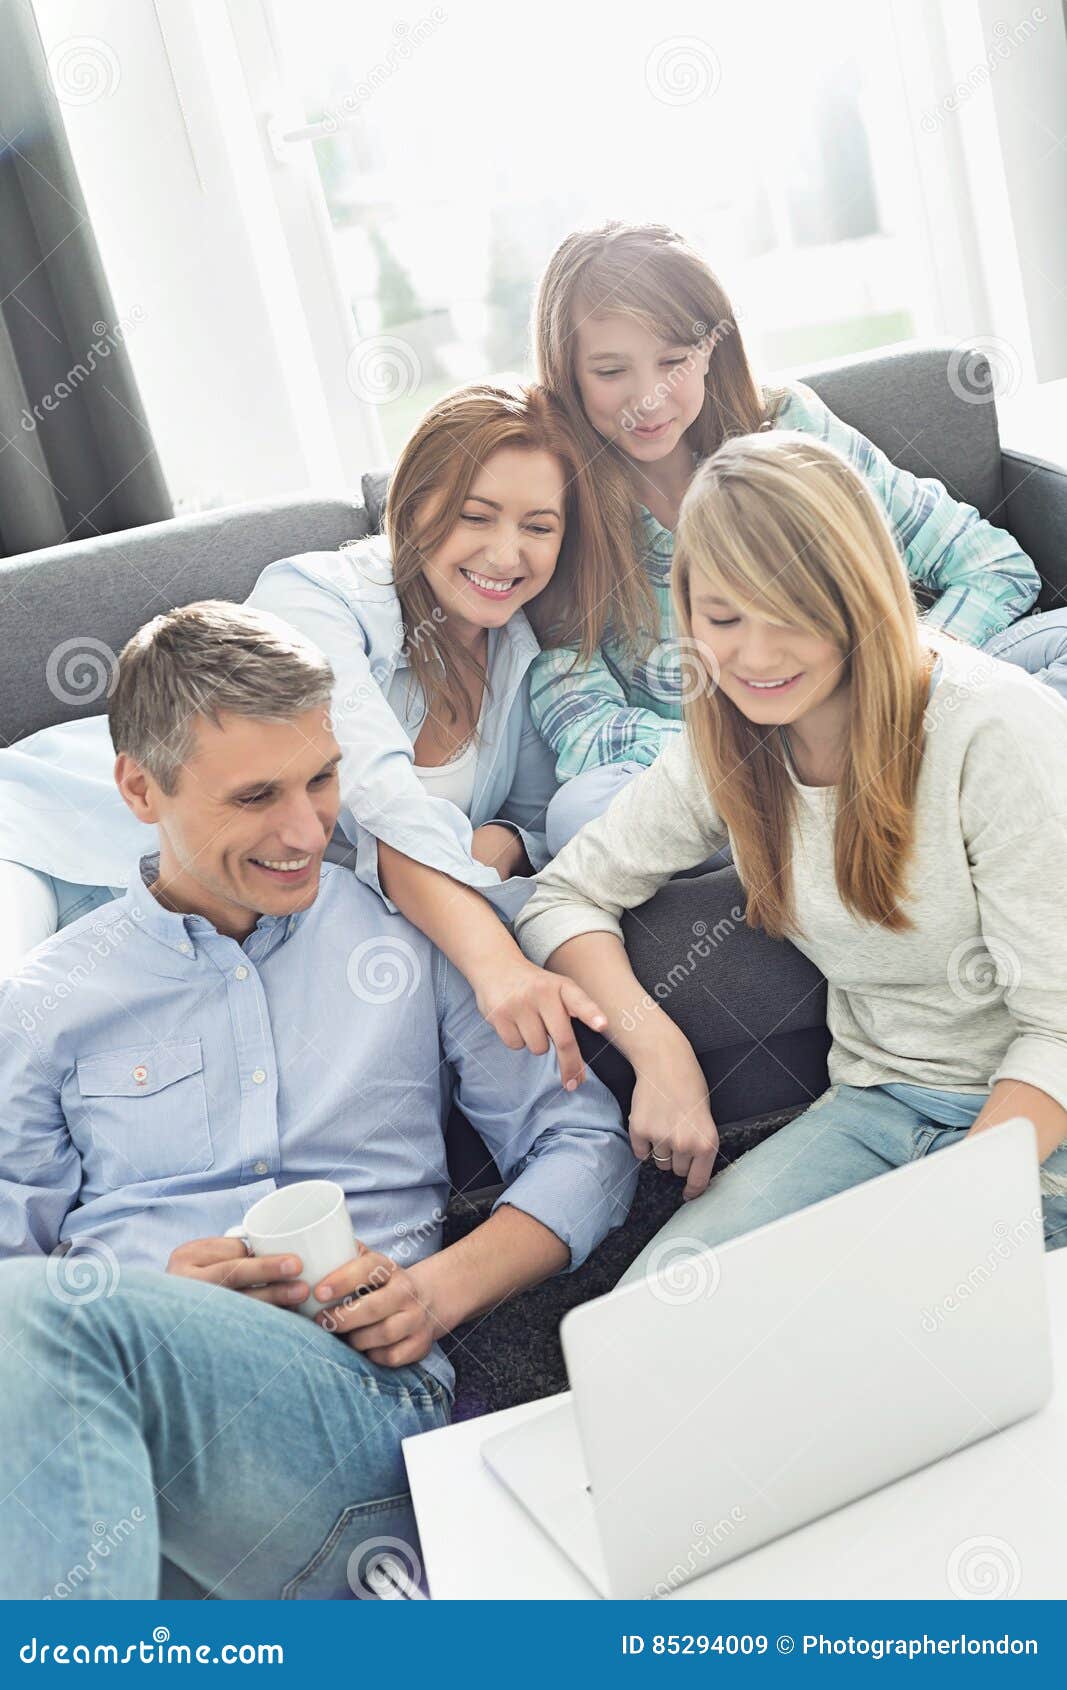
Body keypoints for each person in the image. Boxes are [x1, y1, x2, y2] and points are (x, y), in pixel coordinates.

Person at [0, 601, 637, 1599]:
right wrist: (152, 1307)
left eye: (322, 779)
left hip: (354, 1424)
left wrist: (438, 1290)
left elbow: (585, 1141)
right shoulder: (46, 1000)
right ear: (138, 787)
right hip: (112, 1464)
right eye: (256, 796)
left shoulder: (405, 932)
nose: (306, 831)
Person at [514, 431, 1067, 1268]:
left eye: (792, 616)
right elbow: (563, 898)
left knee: (928, 1338)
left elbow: (1059, 1031)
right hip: (877, 1108)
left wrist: (957, 1206)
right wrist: (658, 1051)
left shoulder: (991, 728)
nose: (755, 657)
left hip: (1036, 1122)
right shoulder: (724, 742)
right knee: (661, 1309)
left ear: (856, 599)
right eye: (723, 618)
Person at [0, 384, 613, 1087]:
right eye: (476, 516)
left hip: (198, 926)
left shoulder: (523, 654)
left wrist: (498, 843)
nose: (506, 555)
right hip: (46, 839)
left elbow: (531, 816)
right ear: (413, 508)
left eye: (538, 527)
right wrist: (493, 956)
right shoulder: (317, 598)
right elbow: (376, 799)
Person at [529, 221, 1066, 851]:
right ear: (567, 372)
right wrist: (763, 752)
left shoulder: (787, 427)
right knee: (579, 813)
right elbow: (580, 720)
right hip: (725, 783)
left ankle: (900, 813)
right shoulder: (557, 496)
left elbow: (991, 564)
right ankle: (876, 825)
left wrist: (889, 693)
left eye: (673, 361)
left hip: (891, 719)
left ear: (710, 351)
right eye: (611, 370)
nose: (649, 398)